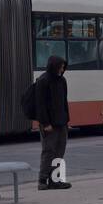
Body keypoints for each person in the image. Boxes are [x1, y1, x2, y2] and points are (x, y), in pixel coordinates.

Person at [33, 55, 72, 190]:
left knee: (59, 152)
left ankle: (55, 180)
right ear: (54, 66)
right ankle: (42, 180)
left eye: (63, 67)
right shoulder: (43, 81)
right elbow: (40, 106)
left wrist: (67, 120)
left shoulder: (62, 81)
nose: (62, 69)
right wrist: (45, 123)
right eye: (60, 67)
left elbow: (64, 102)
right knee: (48, 151)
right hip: (49, 124)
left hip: (62, 123)